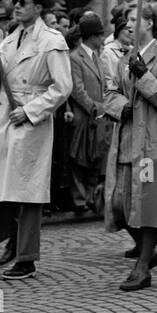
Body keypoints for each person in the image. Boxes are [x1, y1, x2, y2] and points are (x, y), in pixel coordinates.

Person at [0, 0, 72, 281]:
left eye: (23, 3)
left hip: (29, 121)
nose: (17, 7)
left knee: (27, 191)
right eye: (16, 2)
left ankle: (25, 257)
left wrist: (31, 110)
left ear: (38, 8)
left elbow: (62, 87)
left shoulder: (51, 41)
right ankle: (11, 235)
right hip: (2, 117)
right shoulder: (9, 39)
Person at [102, 0, 157, 290]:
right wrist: (120, 106)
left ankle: (143, 265)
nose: (128, 23)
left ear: (149, 23)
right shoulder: (125, 57)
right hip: (127, 141)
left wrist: (143, 75)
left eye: (134, 18)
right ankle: (148, 251)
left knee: (147, 202)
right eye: (126, 19)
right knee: (119, 205)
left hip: (151, 143)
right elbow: (110, 92)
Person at [66, 12, 110, 219]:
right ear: (91, 36)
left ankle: (92, 198)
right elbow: (77, 89)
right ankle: (79, 200)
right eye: (100, 35)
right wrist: (94, 107)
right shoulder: (75, 57)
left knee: (95, 156)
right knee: (79, 158)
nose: (103, 39)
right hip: (83, 116)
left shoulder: (97, 57)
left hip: (98, 115)